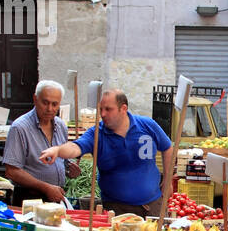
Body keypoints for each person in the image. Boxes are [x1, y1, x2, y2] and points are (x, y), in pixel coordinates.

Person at [38, 89, 174, 217]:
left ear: (123, 109)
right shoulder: (97, 134)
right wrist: (58, 150)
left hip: (153, 205)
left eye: (108, 109)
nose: (102, 114)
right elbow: (75, 148)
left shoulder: (147, 125)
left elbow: (167, 147)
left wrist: (168, 181)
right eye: (101, 109)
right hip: (116, 210)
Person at [3, 80, 80, 206]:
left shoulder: (61, 126)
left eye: (55, 104)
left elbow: (60, 161)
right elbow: (12, 171)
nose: (50, 109)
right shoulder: (20, 128)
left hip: (55, 197)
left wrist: (68, 169)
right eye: (45, 103)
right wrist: (46, 187)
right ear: (35, 99)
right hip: (29, 199)